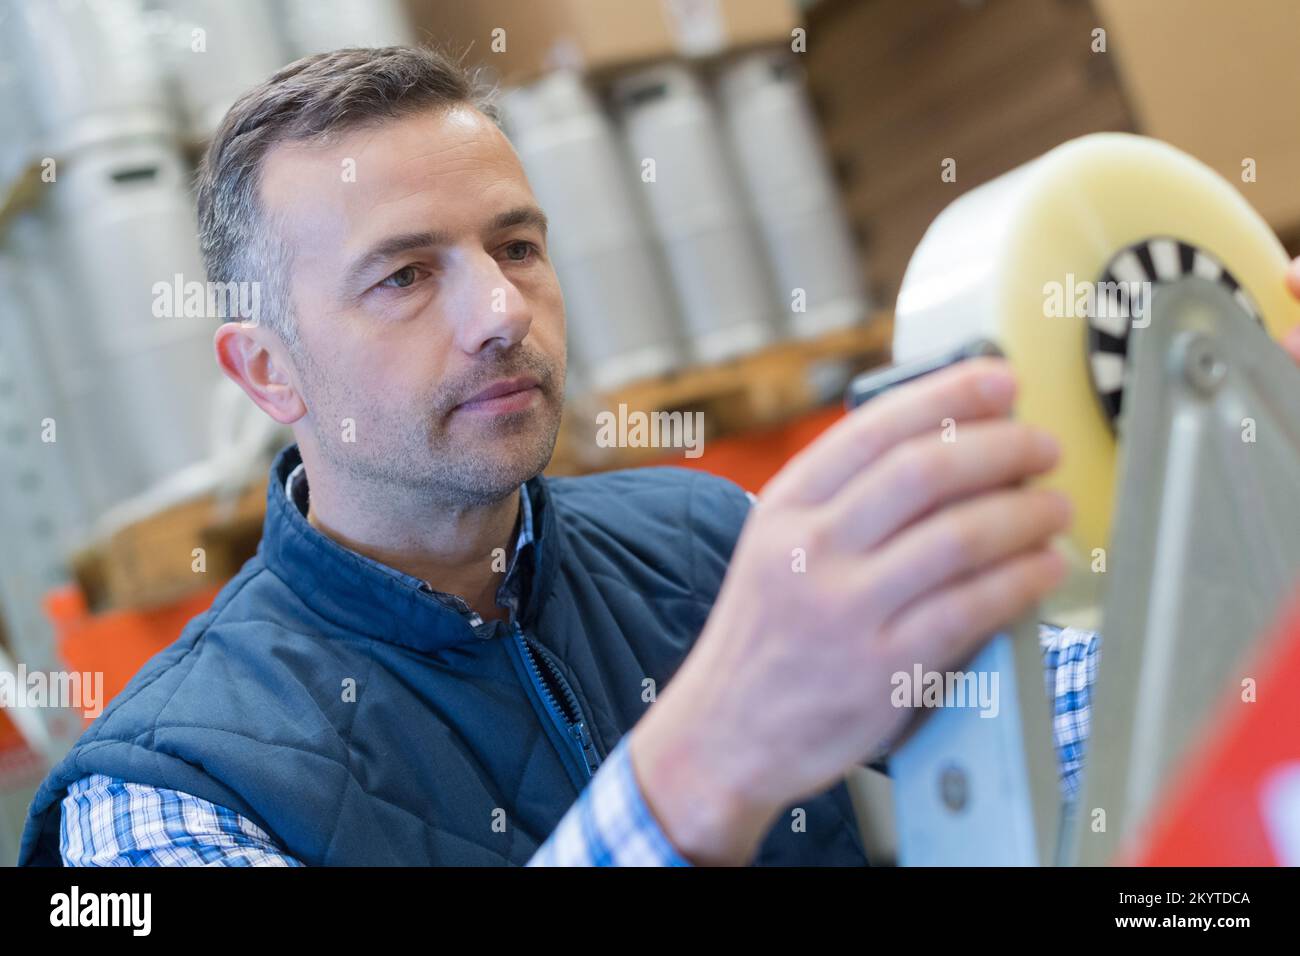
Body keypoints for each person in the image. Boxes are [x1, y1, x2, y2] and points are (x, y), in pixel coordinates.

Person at [20, 46, 1300, 867]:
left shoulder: (699, 538)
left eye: (516, 246)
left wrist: (1250, 489)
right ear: (264, 369)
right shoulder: (161, 796)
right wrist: (701, 763)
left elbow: (1068, 709)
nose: (498, 312)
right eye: (407, 275)